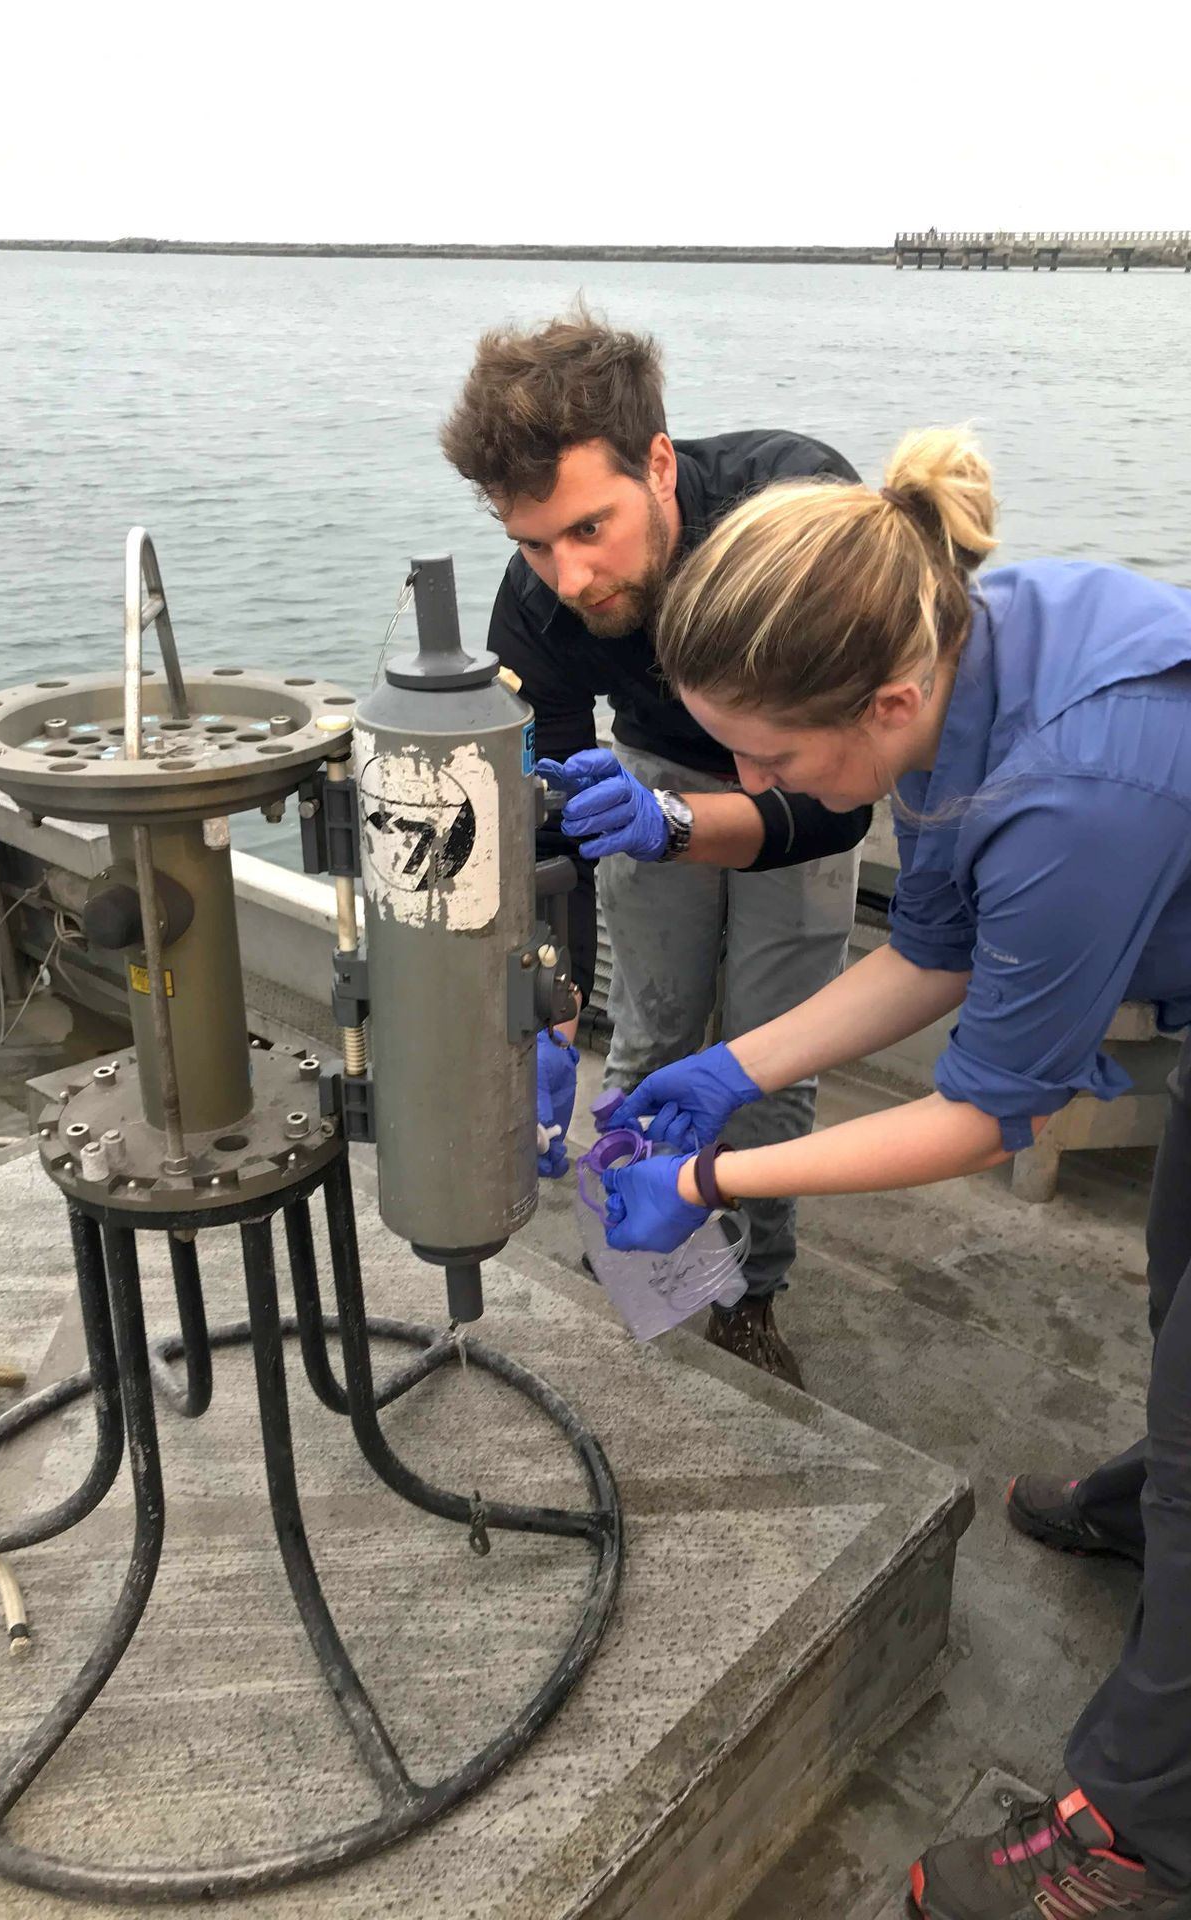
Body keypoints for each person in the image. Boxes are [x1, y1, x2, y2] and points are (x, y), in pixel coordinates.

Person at [598, 427, 1191, 1919]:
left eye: (771, 759)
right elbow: (938, 948)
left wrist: (713, 1189)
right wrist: (734, 1067)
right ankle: (1173, 1497)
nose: (749, 785)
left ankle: (1132, 1850)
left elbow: (978, 1117)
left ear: (886, 700)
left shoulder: (1078, 788)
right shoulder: (962, 659)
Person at [440, 311, 871, 1384]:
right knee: (648, 1038)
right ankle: (644, 1268)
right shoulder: (539, 596)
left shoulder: (797, 512)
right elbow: (546, 808)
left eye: (591, 528)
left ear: (662, 463)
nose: (569, 575)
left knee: (772, 1064)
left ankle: (752, 1296)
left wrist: (699, 819)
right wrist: (544, 997)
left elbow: (842, 800)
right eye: (534, 542)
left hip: (804, 764)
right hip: (643, 775)